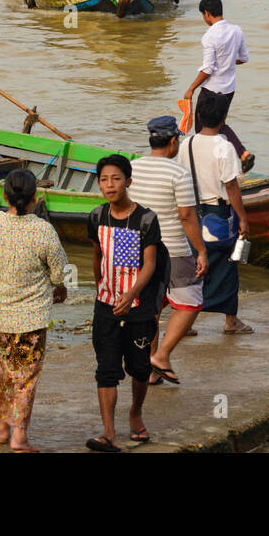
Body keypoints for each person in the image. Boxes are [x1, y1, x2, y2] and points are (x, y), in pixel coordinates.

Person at [0, 169, 68, 453]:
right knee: (24, 377)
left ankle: (2, 426)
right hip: (31, 320)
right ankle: (19, 435)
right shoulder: (44, 230)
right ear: (35, 198)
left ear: (4, 196)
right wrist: (60, 288)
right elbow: (59, 272)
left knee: (1, 372)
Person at [86, 155, 164, 452]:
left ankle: (136, 413)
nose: (110, 185)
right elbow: (97, 256)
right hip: (106, 306)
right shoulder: (96, 217)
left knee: (140, 367)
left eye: (116, 179)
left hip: (139, 307)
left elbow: (150, 264)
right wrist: (100, 292)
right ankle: (108, 432)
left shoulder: (146, 219)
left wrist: (130, 294)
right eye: (104, 179)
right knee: (106, 368)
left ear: (128, 182)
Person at [130, 116, 208, 387]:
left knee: (152, 308)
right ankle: (161, 356)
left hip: (137, 248)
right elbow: (186, 216)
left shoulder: (132, 168)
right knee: (191, 302)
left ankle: (150, 367)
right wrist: (201, 250)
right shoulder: (178, 173)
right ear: (173, 141)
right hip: (171, 247)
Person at [178, 91, 253, 334]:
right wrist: (242, 218)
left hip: (191, 212)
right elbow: (231, 185)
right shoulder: (224, 146)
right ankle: (230, 321)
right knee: (226, 267)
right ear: (224, 118)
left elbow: (179, 179)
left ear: (199, 116)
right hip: (218, 212)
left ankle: (185, 322)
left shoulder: (186, 144)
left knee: (193, 266)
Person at [183, 0, 252, 167]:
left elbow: (207, 69)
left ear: (207, 14)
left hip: (211, 90)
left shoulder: (209, 36)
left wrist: (191, 88)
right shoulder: (236, 30)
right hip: (229, 89)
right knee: (219, 124)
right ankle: (242, 153)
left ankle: (207, 164)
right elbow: (244, 58)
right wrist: (227, 61)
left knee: (202, 129)